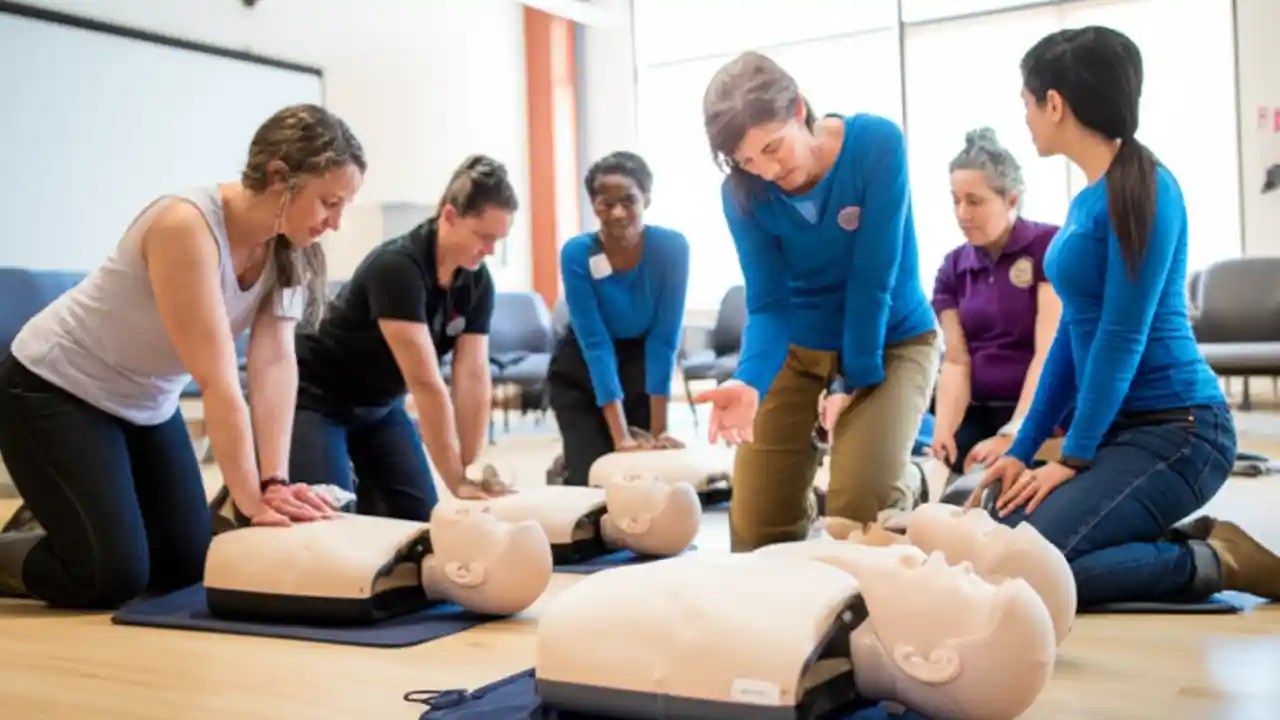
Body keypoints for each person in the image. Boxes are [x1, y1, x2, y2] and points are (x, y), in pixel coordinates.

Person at [0, 104, 362, 607]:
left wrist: (273, 482)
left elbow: (275, 362)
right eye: (329, 202)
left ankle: (67, 510)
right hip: (54, 387)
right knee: (109, 576)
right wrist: (249, 500)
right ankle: (51, 526)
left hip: (144, 402)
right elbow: (218, 380)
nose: (336, 222)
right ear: (280, 176)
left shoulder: (292, 249)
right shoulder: (185, 226)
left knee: (185, 565)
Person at [970, 26, 1280, 605]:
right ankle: (1142, 534)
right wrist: (1023, 447)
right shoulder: (1087, 199)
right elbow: (1071, 335)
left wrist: (1076, 457)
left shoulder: (1151, 190)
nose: (1028, 119)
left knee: (1031, 574)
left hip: (1182, 432)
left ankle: (1213, 559)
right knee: (1003, 545)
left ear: (1054, 104)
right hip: (1121, 433)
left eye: (1028, 104)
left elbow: (1121, 335)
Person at [697, 51, 940, 551]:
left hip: (891, 340)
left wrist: (851, 380)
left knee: (857, 516)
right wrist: (748, 379)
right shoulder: (742, 194)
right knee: (756, 534)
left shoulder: (875, 144)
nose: (765, 170)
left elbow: (874, 278)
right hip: (800, 345)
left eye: (773, 148)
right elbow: (768, 305)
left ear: (799, 110)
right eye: (747, 161)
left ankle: (905, 484)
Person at [289, 155, 517, 519]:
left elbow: (473, 376)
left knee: (418, 523)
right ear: (450, 217)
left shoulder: (477, 281)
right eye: (483, 237)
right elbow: (426, 385)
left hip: (380, 406)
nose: (489, 250)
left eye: (498, 240)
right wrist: (455, 480)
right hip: (317, 399)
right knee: (331, 517)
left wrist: (472, 468)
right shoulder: (398, 267)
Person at [548, 151, 690, 487]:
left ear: (647, 200)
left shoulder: (671, 248)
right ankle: (570, 466)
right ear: (592, 204)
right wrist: (621, 436)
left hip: (639, 369)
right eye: (604, 202)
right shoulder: (577, 254)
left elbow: (664, 340)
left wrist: (659, 432)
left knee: (644, 479)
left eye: (628, 201)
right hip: (582, 371)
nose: (617, 212)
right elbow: (595, 344)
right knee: (595, 480)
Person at [931, 128, 1062, 477]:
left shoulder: (1049, 247)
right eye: (955, 200)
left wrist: (1015, 433)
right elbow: (957, 361)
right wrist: (944, 429)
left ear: (1011, 199)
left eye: (974, 201)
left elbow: (1048, 353)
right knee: (946, 459)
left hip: (1043, 413)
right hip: (981, 410)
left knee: (993, 474)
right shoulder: (953, 267)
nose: (962, 213)